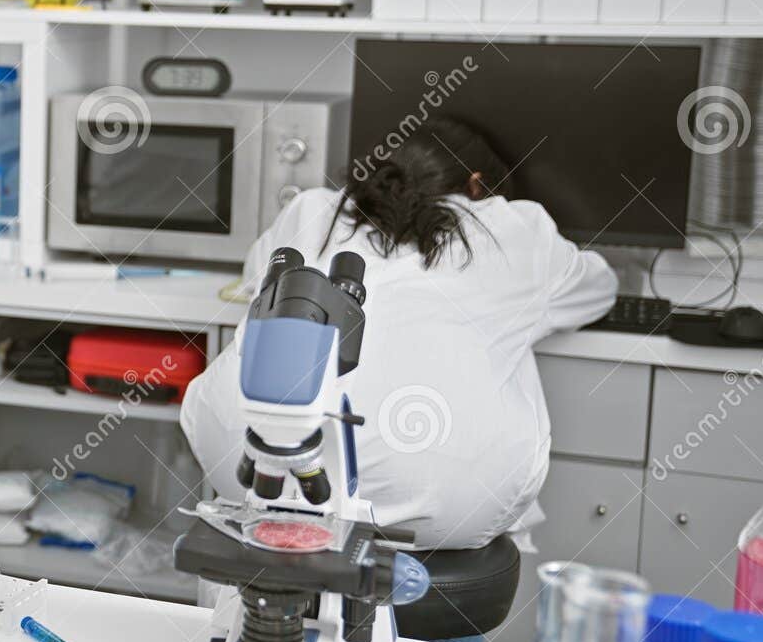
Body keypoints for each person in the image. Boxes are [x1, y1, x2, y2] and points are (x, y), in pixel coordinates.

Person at [181, 117, 617, 550]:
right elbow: (599, 290)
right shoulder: (516, 226)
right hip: (438, 506)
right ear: (478, 185)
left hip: (244, 467)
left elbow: (260, 278)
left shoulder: (314, 208)